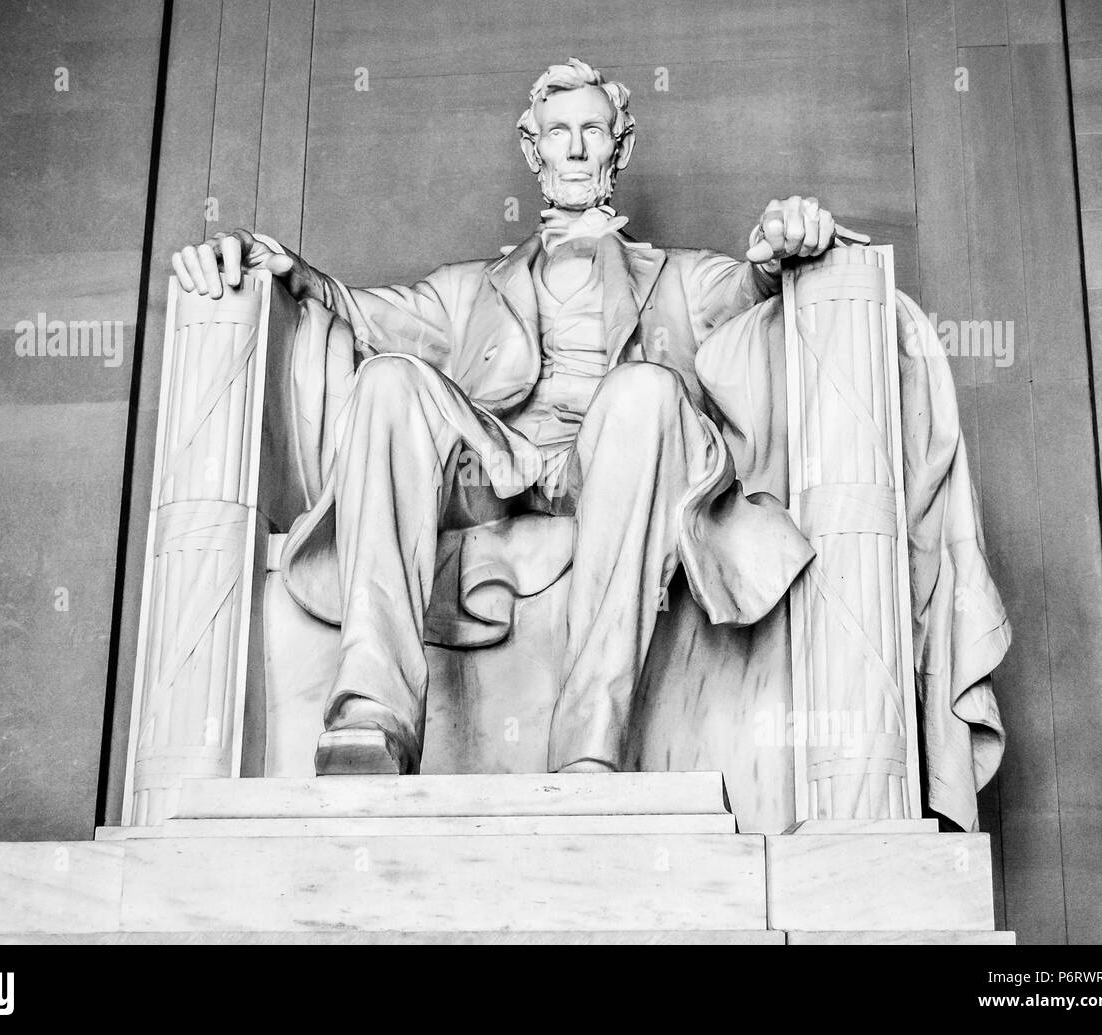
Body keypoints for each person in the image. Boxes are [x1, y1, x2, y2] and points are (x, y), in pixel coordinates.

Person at [171, 58, 865, 777]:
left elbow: (754, 287)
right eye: (557, 133)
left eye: (591, 131)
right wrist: (282, 266)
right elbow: (357, 311)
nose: (573, 148)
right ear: (533, 153)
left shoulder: (680, 277)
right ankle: (373, 714)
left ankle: (590, 743)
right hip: (488, 467)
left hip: (614, 468)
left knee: (646, 390)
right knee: (386, 380)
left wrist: (788, 239)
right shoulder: (468, 291)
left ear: (617, 149)